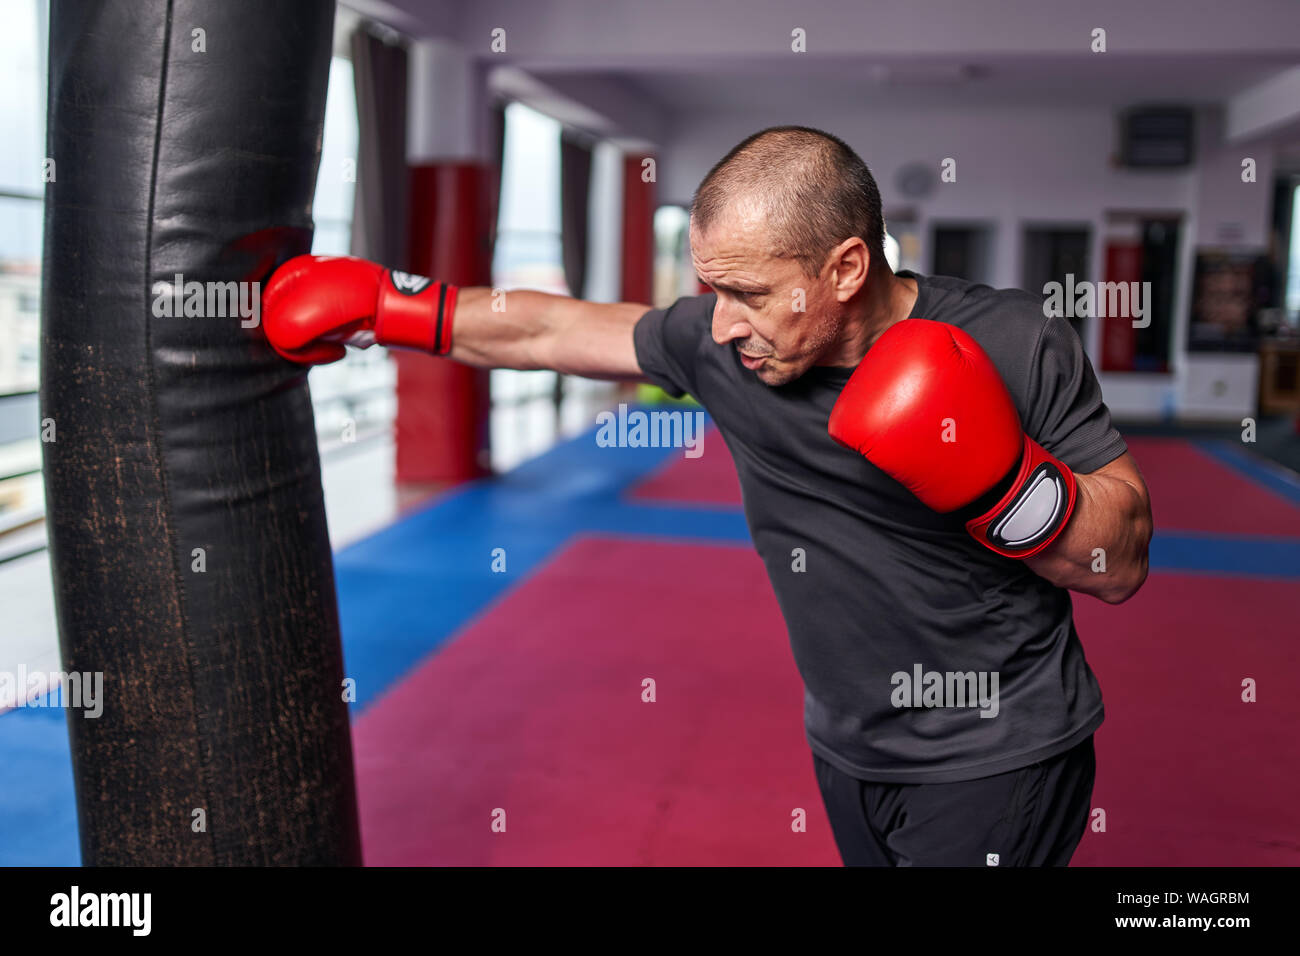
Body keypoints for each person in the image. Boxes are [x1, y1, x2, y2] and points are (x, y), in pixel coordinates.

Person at [262, 125, 1152, 866]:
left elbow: (1121, 562)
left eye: (748, 294)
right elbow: (551, 326)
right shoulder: (730, 346)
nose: (722, 323)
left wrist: (1000, 481)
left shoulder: (1011, 341)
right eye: (710, 289)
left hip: (999, 751)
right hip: (849, 746)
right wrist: (397, 306)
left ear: (846, 268)